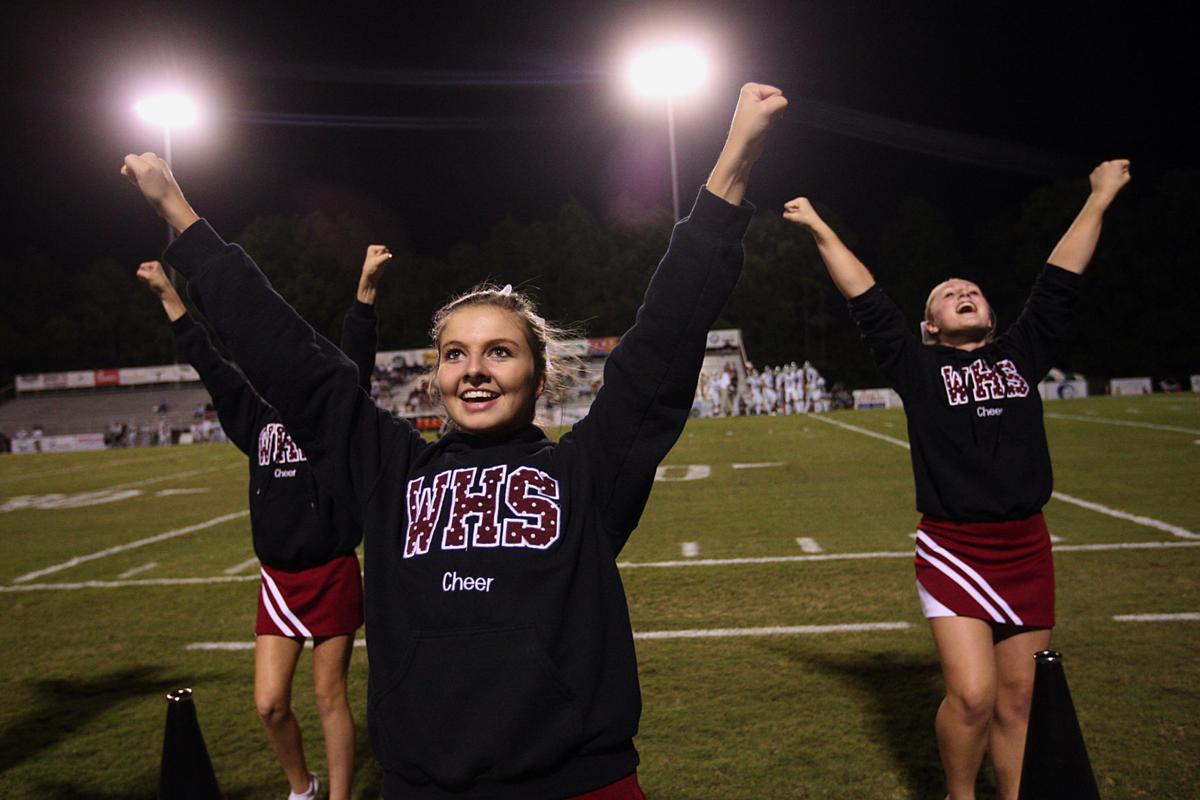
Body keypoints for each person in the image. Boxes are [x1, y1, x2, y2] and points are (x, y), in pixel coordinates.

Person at [123, 82, 787, 799]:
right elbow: (292, 359)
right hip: (423, 786)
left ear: (540, 376)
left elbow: (664, 338)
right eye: (453, 354)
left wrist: (734, 161)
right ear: (436, 374)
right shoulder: (391, 471)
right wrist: (179, 214)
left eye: (500, 351)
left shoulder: (586, 473)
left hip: (576, 785)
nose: (473, 370)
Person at [783, 160, 1131, 800]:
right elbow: (866, 298)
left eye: (972, 289)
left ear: (991, 316)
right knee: (973, 695)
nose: (962, 291)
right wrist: (818, 227)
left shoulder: (1021, 353)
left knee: (1020, 697)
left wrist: (1099, 197)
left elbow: (1060, 279)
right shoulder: (917, 367)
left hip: (1026, 545)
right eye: (946, 294)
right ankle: (959, 795)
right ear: (931, 327)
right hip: (955, 548)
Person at [136, 246, 392, 800]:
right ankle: (303, 788)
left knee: (329, 696)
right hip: (278, 581)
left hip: (331, 571)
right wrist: (169, 297)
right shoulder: (255, 419)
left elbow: (357, 359)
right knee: (270, 703)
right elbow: (210, 364)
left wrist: (366, 288)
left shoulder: (330, 416)